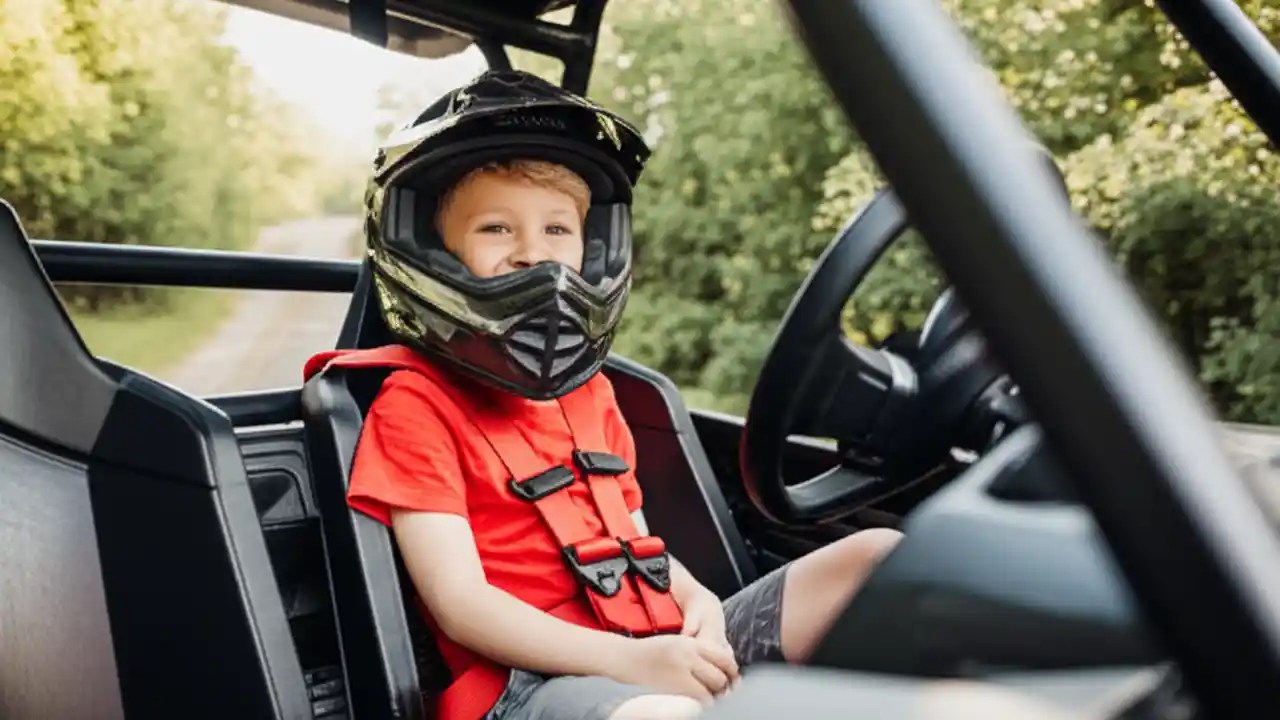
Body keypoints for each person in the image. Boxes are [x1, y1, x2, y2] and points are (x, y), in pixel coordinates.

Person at [306, 70, 902, 720]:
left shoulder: (591, 396)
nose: (533, 254)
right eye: (496, 229)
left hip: (646, 646)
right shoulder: (414, 407)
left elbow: (630, 544)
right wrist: (630, 664)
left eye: (558, 231)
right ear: (436, 254)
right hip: (532, 686)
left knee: (878, 559)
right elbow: (461, 604)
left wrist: (698, 602)